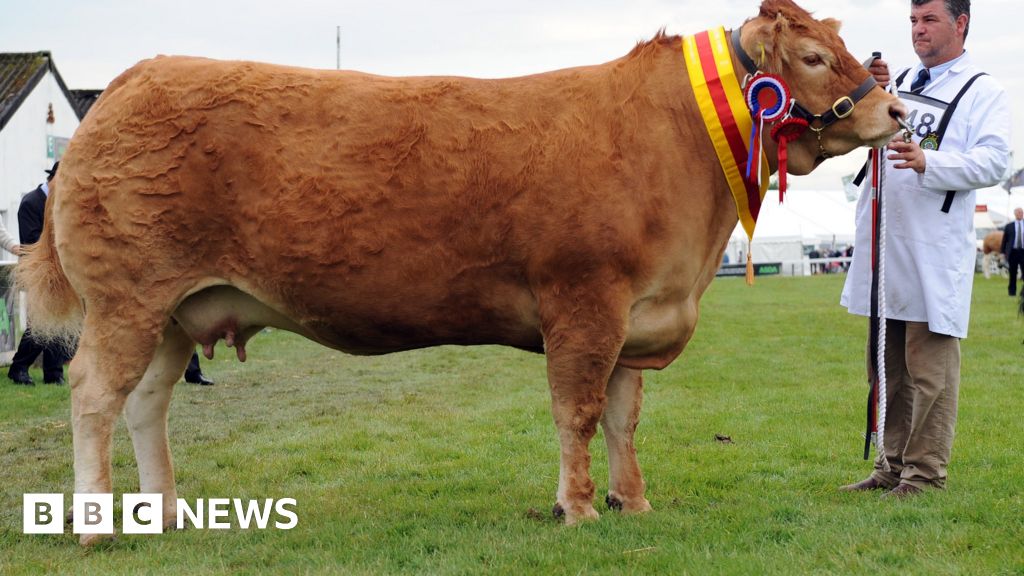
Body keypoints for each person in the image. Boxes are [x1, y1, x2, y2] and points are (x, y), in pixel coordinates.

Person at [839, 0, 1011, 497]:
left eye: (929, 20)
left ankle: (924, 474)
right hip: (886, 243)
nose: (918, 29)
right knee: (887, 366)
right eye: (913, 20)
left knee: (928, 369)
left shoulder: (984, 89)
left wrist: (929, 163)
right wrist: (875, 91)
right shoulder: (906, 82)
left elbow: (996, 160)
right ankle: (889, 467)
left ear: (960, 24)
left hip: (932, 248)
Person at [8, 162, 72, 385]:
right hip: (39, 272)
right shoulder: (31, 202)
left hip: (60, 271)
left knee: (58, 322)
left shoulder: (63, 205)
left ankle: (54, 375)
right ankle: (19, 368)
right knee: (39, 325)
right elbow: (31, 240)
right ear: (54, 178)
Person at [1000, 207, 1024, 296]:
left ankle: (1023, 293)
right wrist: (1002, 252)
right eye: (1018, 212)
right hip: (1013, 253)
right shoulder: (1009, 226)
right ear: (1015, 214)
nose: (1020, 214)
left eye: (1021, 212)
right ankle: (1012, 292)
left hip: (1023, 252)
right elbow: (1004, 240)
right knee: (1013, 273)